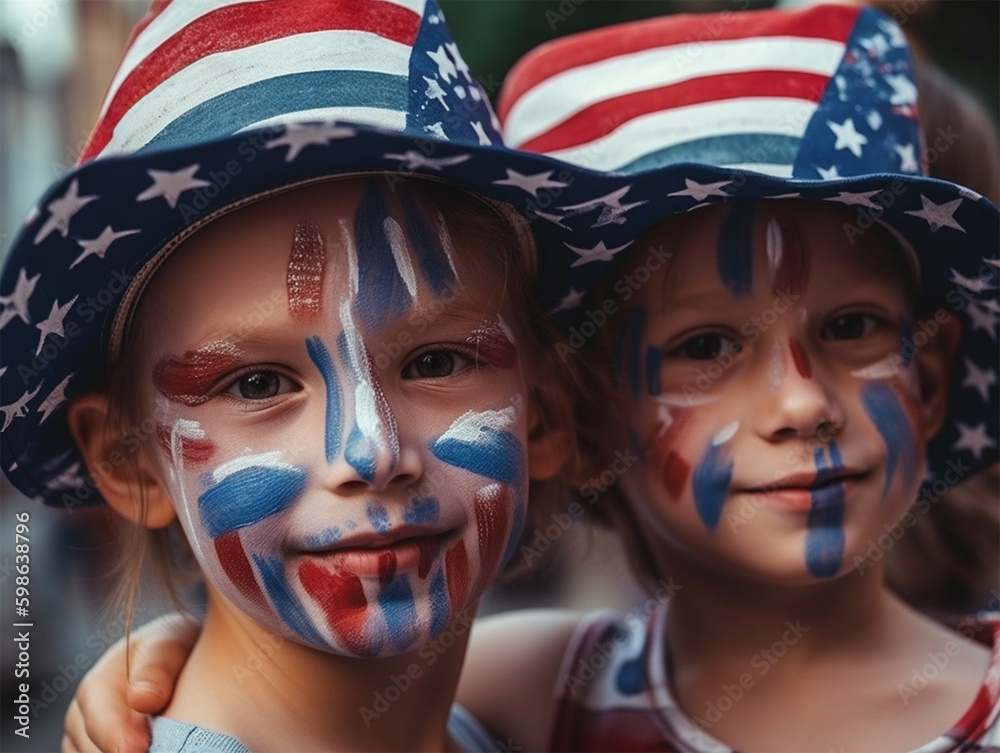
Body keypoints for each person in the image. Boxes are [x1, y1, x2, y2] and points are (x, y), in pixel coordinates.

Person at [60, 4, 1000, 751]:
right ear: (582, 412)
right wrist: (164, 674)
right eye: (705, 346)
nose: (802, 402)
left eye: (852, 327)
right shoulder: (548, 688)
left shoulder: (515, 706)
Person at [0, 1, 638, 750]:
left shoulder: (516, 716)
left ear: (547, 416)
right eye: (256, 384)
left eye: (435, 362)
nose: (368, 452)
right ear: (126, 457)